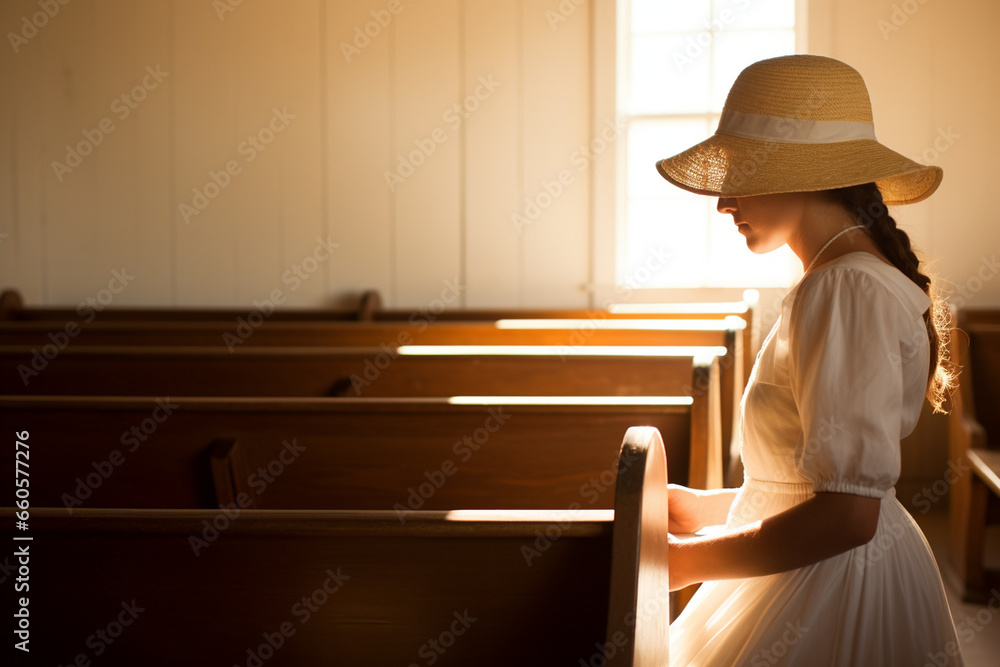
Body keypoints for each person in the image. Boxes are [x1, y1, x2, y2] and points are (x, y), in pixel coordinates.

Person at [657, 55, 964, 665]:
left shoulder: (846, 287)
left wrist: (683, 563)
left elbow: (848, 515)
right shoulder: (838, 281)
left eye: (738, 172)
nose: (723, 203)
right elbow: (817, 489)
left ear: (798, 174)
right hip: (829, 567)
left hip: (832, 584)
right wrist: (704, 509)